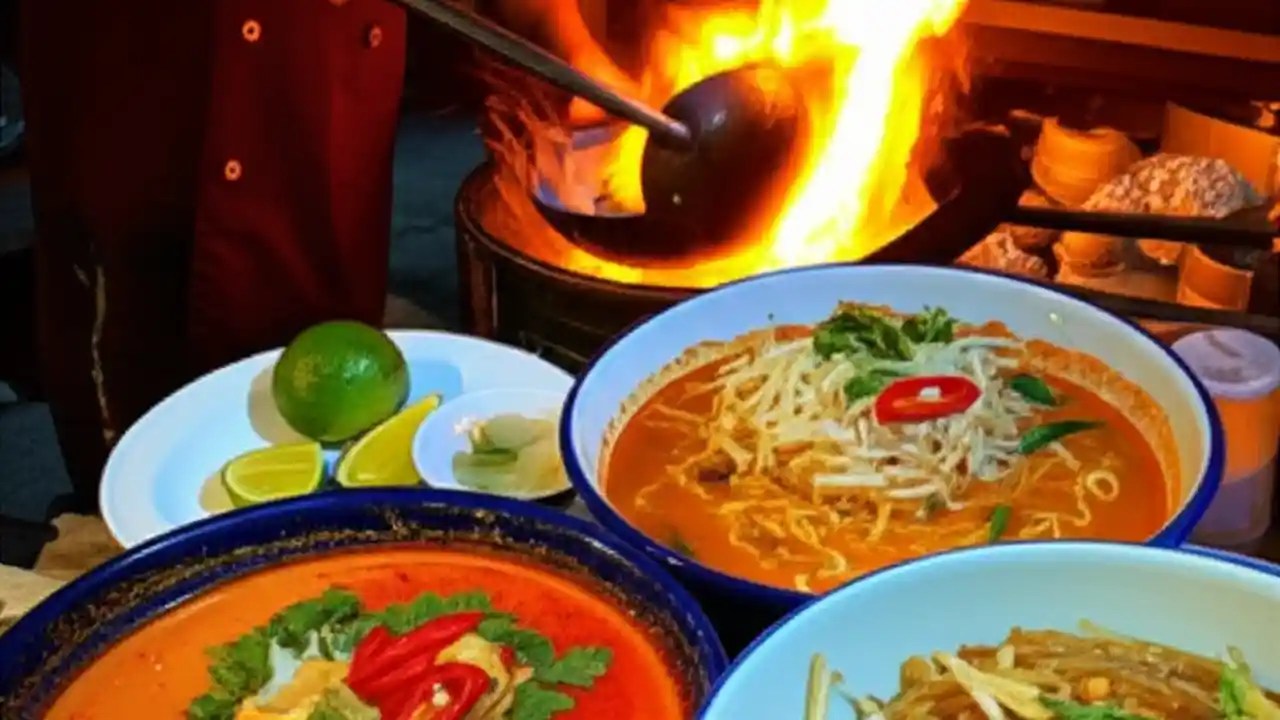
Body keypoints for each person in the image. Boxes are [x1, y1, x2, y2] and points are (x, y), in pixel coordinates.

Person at [18, 0, 631, 510]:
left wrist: (560, 42)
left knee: (324, 346)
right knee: (138, 429)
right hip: (143, 76)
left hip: (315, 69)